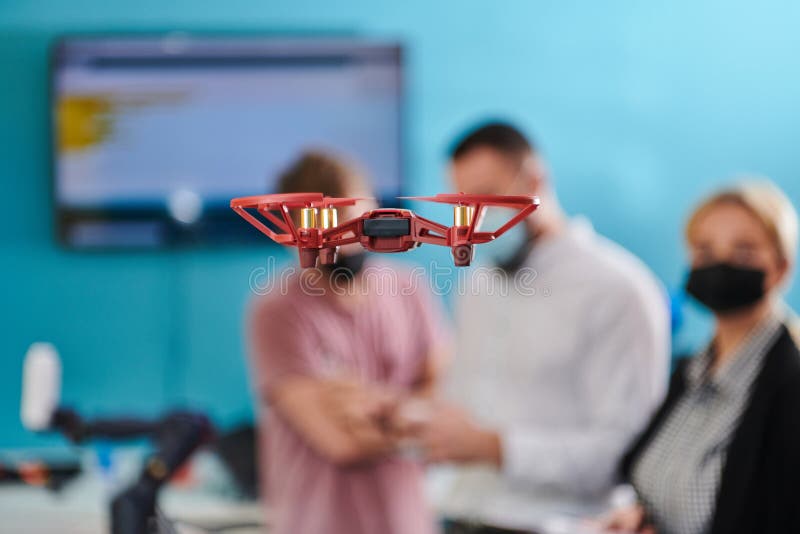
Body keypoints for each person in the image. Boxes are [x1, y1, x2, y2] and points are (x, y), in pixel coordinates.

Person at [405, 121, 671, 532]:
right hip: (460, 516)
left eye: (486, 197)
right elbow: (465, 402)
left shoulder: (618, 291)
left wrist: (496, 448)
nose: (474, 220)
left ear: (534, 180)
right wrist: (407, 416)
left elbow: (624, 452)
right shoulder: (478, 285)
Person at [248, 152, 449, 534]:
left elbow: (444, 402)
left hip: (407, 522)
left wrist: (367, 405)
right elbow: (341, 443)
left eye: (353, 221)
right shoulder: (277, 310)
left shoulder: (410, 290)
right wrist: (408, 411)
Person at [603, 180, 800, 534]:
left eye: (744, 252)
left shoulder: (790, 385)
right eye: (705, 251)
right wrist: (639, 516)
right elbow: (654, 482)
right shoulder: (688, 372)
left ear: (781, 267)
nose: (721, 264)